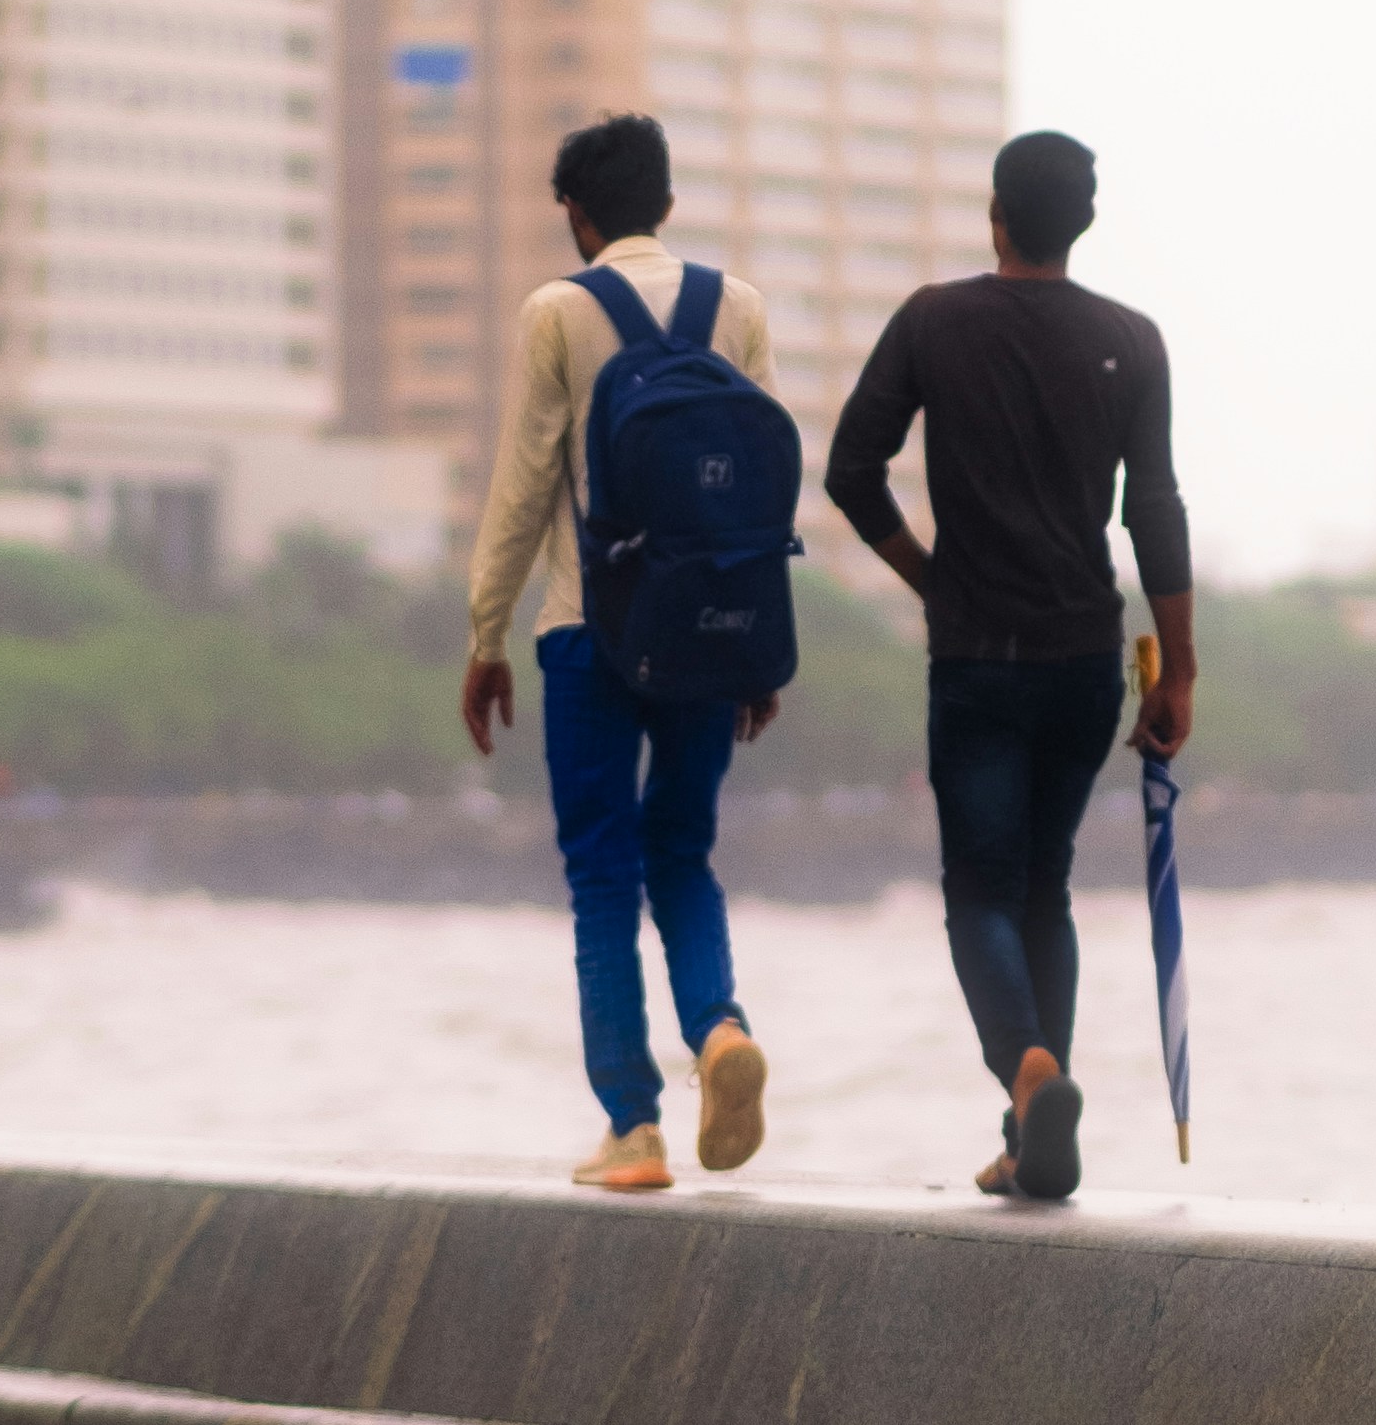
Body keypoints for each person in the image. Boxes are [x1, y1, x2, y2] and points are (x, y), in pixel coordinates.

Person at [825, 127, 1192, 1206]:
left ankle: (1032, 1082)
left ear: (996, 215)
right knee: (1046, 886)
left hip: (978, 655)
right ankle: (1031, 1130)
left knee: (979, 890)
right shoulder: (1134, 339)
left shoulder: (934, 320)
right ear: (1080, 225)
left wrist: (928, 577)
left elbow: (853, 470)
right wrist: (1178, 668)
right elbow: (1155, 511)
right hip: (1084, 659)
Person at [462, 111, 782, 1194]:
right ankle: (721, 1030)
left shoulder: (557, 310)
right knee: (681, 852)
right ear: (669, 204)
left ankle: (633, 1128)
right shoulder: (734, 305)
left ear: (577, 215)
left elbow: (522, 481)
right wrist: (759, 653)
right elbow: (759, 487)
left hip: (587, 635)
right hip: (709, 633)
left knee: (602, 872)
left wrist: (482, 631)